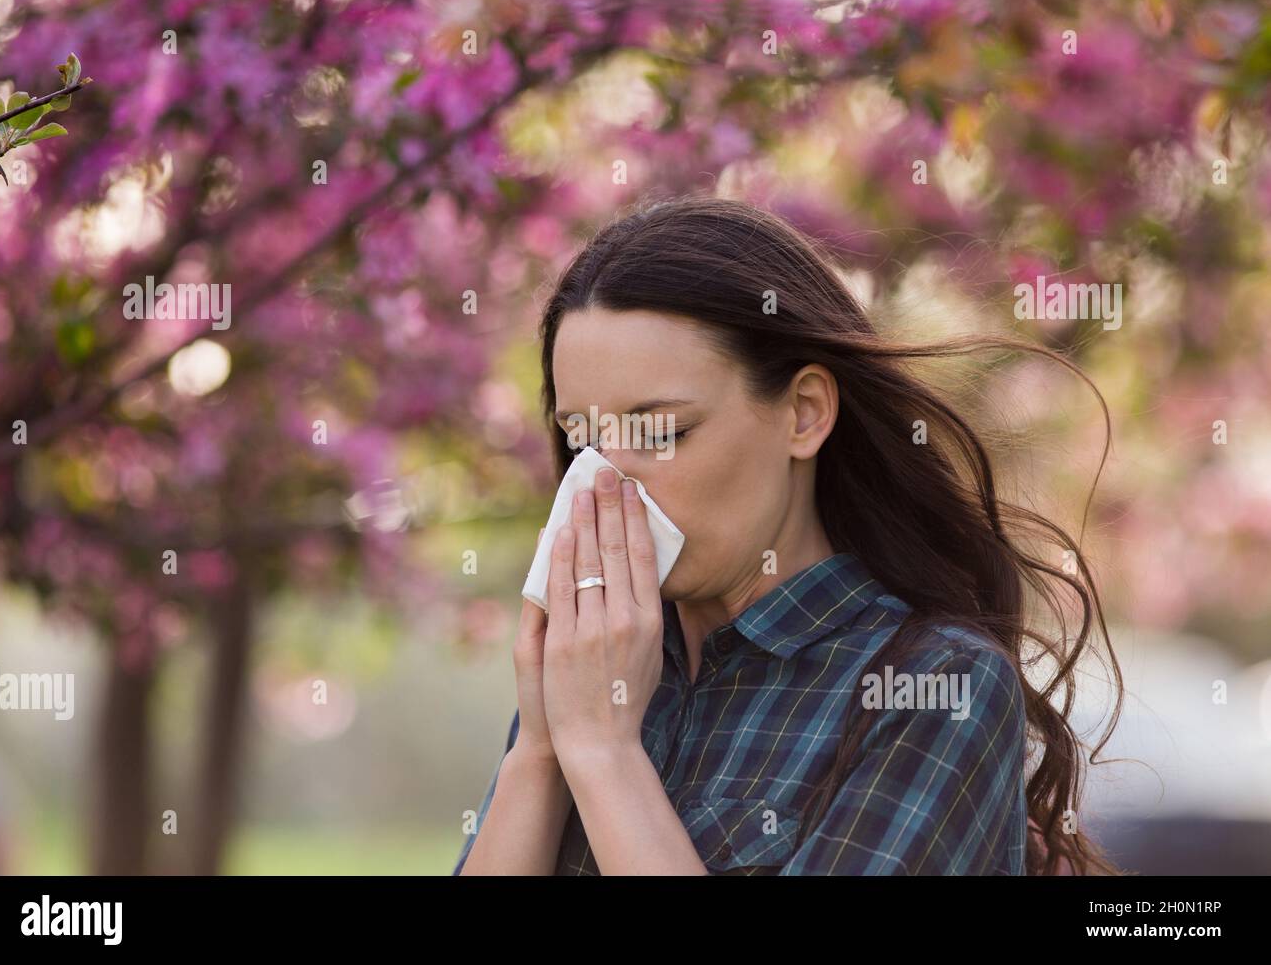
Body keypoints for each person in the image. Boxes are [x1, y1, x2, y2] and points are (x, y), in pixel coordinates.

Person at [455, 195, 1120, 875]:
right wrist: (539, 749)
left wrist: (604, 754)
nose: (604, 483)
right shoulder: (598, 672)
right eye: (583, 440)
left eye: (659, 432)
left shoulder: (933, 684)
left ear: (804, 413)